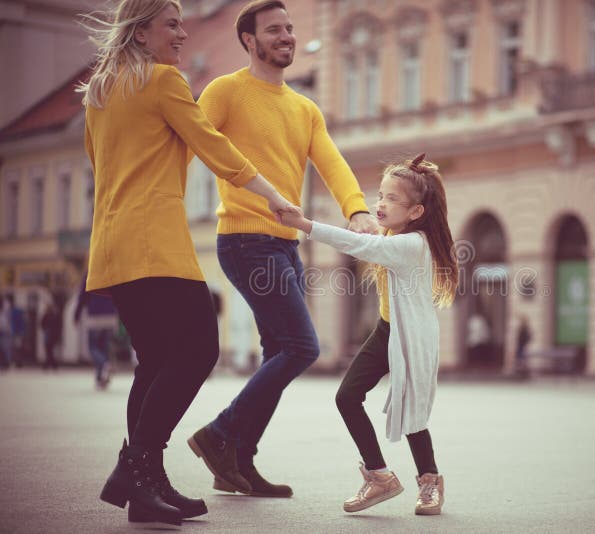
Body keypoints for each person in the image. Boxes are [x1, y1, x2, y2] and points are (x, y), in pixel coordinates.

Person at [77, 0, 298, 526]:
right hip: (156, 243)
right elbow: (215, 148)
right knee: (200, 349)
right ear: (141, 31)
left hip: (112, 244)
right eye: (171, 24)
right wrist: (274, 196)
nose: (182, 34)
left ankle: (146, 488)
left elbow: (97, 163)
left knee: (154, 362)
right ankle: (134, 470)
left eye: (182, 22)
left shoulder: (100, 94)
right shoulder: (162, 82)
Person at [187, 0, 378, 499]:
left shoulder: (304, 108)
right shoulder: (226, 91)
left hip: (285, 243)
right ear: (249, 40)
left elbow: (331, 162)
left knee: (280, 349)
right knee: (301, 347)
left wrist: (356, 208)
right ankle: (219, 433)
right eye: (275, 30)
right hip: (245, 239)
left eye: (290, 28)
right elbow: (189, 140)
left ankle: (237, 461)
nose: (287, 36)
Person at [281, 153, 457, 515]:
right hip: (386, 331)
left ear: (416, 213)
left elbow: (365, 246)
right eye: (381, 195)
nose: (381, 203)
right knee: (347, 397)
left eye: (393, 198)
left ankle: (430, 482)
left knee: (413, 414)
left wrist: (306, 224)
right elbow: (371, 239)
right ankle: (379, 476)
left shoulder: (412, 244)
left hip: (414, 338)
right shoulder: (394, 234)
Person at [74, 274, 116, 388]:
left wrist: (76, 315)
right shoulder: (110, 270)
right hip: (110, 316)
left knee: (92, 347)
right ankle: (100, 379)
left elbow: (82, 296)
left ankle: (104, 364)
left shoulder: (91, 272)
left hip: (95, 316)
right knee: (103, 348)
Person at [40, 302, 62, 370]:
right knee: (49, 350)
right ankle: (52, 365)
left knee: (48, 350)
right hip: (50, 335)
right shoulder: (53, 316)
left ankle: (48, 365)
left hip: (49, 335)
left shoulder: (49, 315)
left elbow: (41, 324)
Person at [0, 296, 11, 371]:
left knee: (5, 347)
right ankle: (4, 363)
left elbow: (8, 319)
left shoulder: (6, 309)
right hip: (4, 330)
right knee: (4, 347)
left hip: (4, 330)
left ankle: (5, 363)